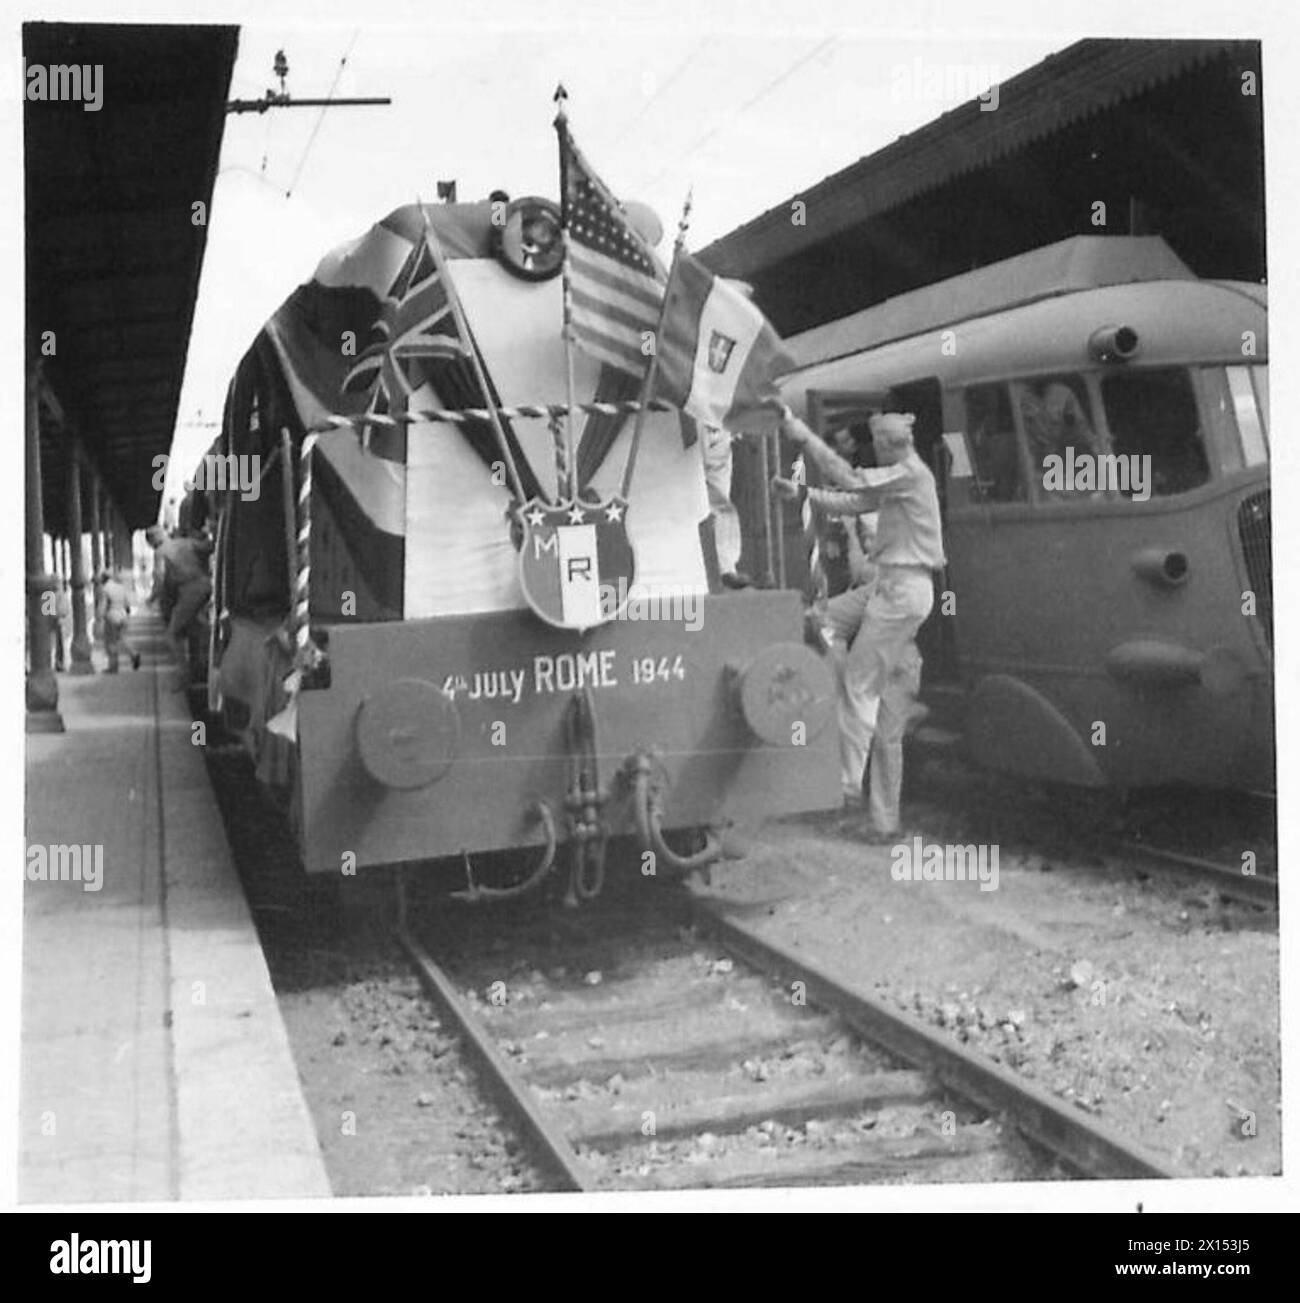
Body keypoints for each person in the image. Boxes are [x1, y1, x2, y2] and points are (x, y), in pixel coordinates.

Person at [773, 407, 945, 840]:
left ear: (887, 446)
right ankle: (853, 768)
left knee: (862, 687)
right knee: (824, 621)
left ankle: (847, 784)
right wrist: (804, 493)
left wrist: (804, 436)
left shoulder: (908, 475)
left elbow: (850, 482)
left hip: (900, 592)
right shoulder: (901, 480)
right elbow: (855, 500)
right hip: (888, 589)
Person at [146, 525, 212, 690]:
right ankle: (202, 666)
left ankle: (184, 677)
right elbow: (209, 546)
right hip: (206, 584)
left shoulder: (160, 552)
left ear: (152, 541)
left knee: (172, 635)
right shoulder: (186, 542)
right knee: (196, 628)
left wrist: (152, 598)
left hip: (189, 591)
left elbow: (160, 578)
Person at [702, 424, 751, 587]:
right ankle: (725, 568)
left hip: (717, 433)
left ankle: (726, 568)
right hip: (696, 426)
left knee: (720, 506)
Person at [97, 568, 141, 673]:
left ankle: (113, 666)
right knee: (122, 638)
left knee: (111, 642)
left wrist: (99, 617)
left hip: (112, 616)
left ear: (104, 579)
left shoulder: (105, 589)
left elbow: (103, 605)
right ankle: (134, 654)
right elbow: (127, 604)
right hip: (122, 615)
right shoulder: (121, 587)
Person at [49, 577, 70, 672]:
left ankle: (56, 662)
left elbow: (46, 610)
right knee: (58, 643)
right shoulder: (60, 593)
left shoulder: (48, 593)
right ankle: (58, 662)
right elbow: (64, 610)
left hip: (52, 619)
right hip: (57, 619)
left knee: (55, 642)